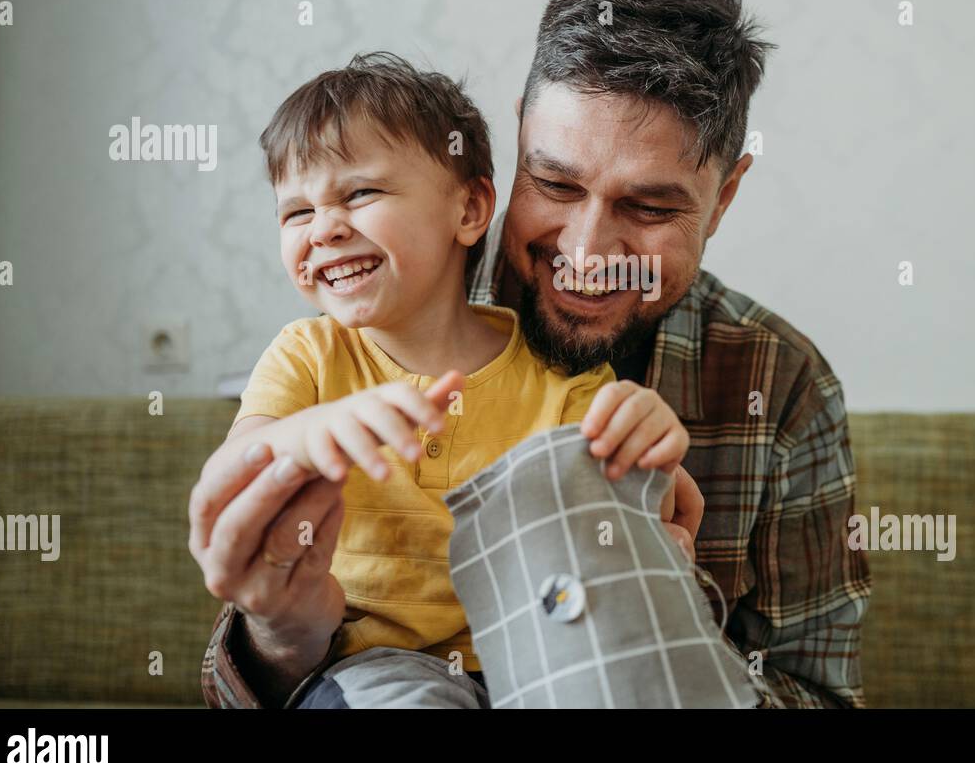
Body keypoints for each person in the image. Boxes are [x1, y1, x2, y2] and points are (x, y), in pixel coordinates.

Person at [192, 0, 871, 709]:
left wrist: (660, 622)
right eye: (556, 184)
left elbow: (821, 693)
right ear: (516, 146)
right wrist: (284, 636)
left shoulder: (781, 383)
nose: (585, 251)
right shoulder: (384, 307)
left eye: (647, 206)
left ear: (723, 198)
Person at [191, 51, 690, 708]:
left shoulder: (566, 383)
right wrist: (310, 433)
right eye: (295, 213)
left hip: (536, 659)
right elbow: (237, 478)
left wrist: (645, 461)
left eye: (360, 193)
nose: (325, 228)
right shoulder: (306, 357)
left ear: (470, 208)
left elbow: (616, 543)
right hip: (376, 671)